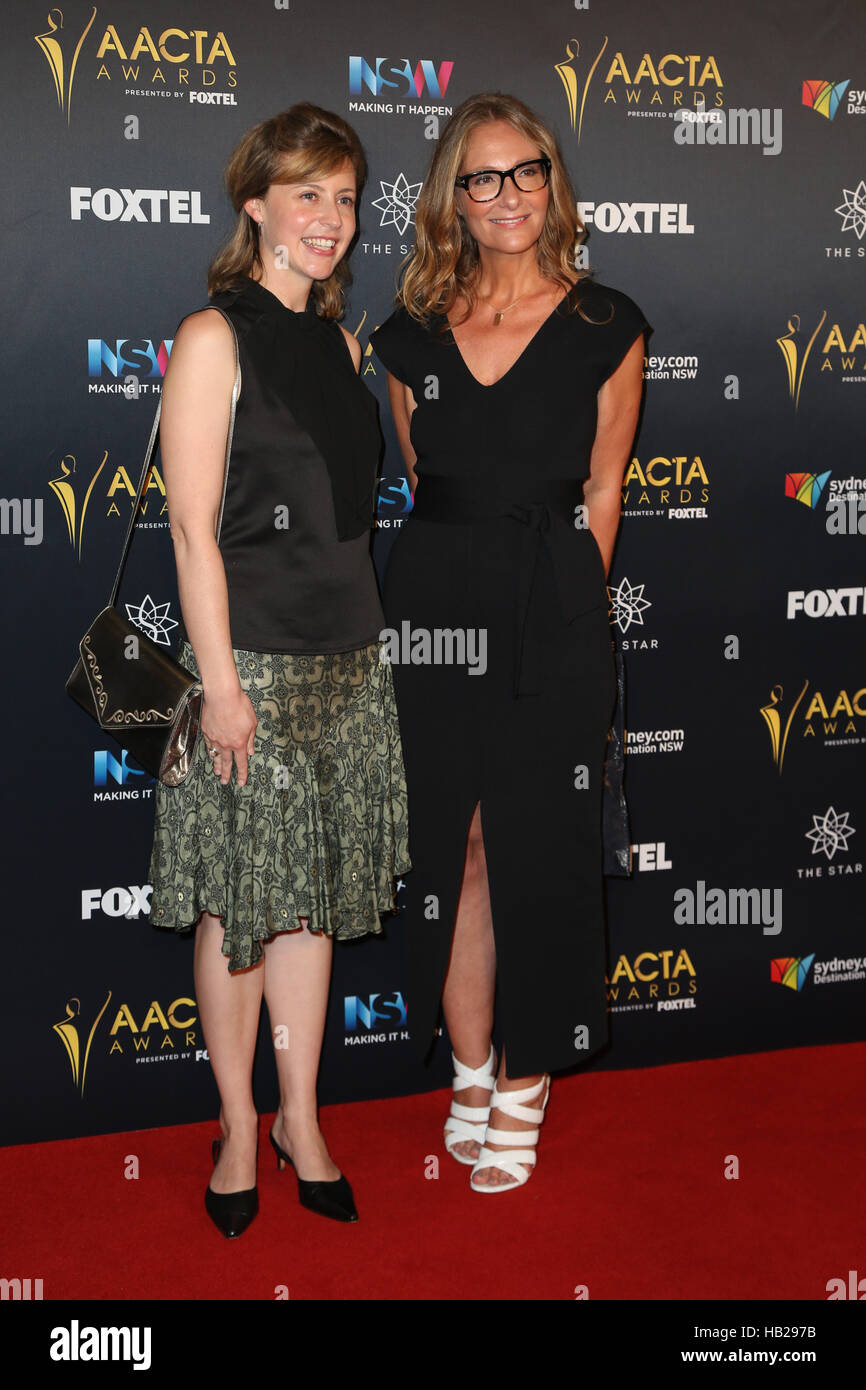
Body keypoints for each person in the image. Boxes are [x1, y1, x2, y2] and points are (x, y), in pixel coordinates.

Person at [371, 92, 648, 1193]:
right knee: (456, 850)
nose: (505, 196)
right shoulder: (405, 336)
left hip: (553, 609)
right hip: (432, 608)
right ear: (454, 196)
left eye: (523, 171)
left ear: (550, 180)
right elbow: (415, 477)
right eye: (480, 178)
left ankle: (529, 1077)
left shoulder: (606, 325)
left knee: (540, 848)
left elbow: (604, 487)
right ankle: (472, 1067)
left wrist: (573, 610)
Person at [147, 104, 410, 1237]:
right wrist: (220, 687)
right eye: (306, 193)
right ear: (253, 201)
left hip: (350, 663)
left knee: (307, 911)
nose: (329, 220)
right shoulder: (213, 337)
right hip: (248, 663)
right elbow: (193, 529)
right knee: (239, 909)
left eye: (344, 197)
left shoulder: (344, 347)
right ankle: (238, 1125)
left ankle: (301, 1115)